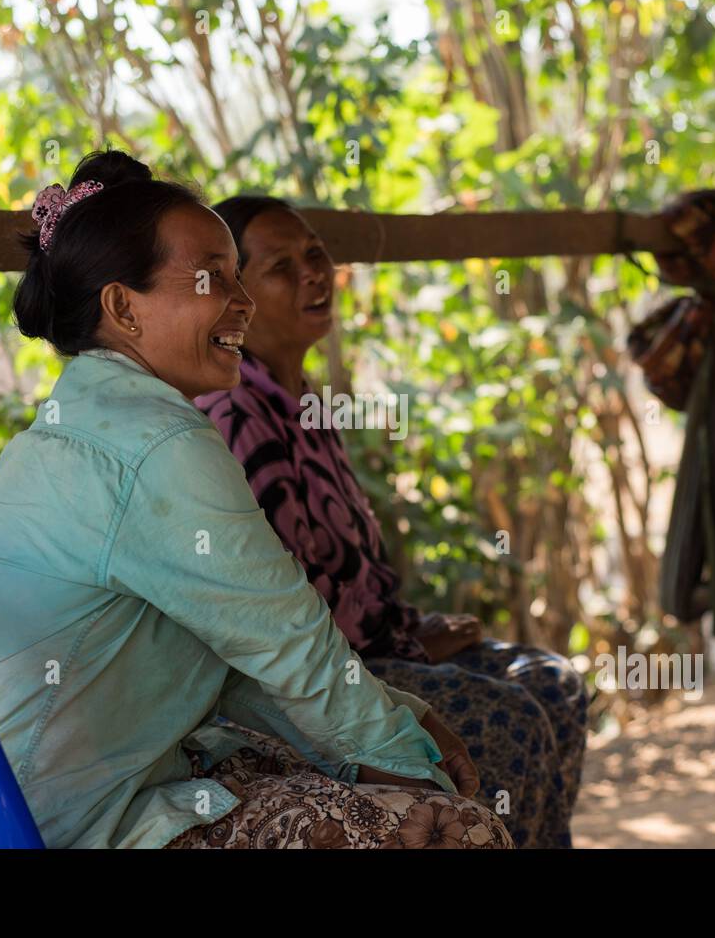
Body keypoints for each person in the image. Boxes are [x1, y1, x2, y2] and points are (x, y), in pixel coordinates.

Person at [0, 151, 511, 850]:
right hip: (71, 828)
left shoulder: (77, 426)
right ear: (122, 307)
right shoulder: (156, 443)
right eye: (213, 275)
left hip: (18, 815)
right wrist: (417, 769)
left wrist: (404, 718)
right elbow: (292, 646)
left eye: (239, 273)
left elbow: (240, 657)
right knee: (461, 828)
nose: (241, 299)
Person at [197, 195, 587, 847]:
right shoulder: (236, 413)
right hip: (315, 677)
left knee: (554, 684)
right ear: (237, 294)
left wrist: (409, 631)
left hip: (382, 645)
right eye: (282, 267)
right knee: (511, 719)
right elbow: (278, 607)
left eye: (315, 254)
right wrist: (406, 645)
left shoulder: (302, 401)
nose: (313, 274)